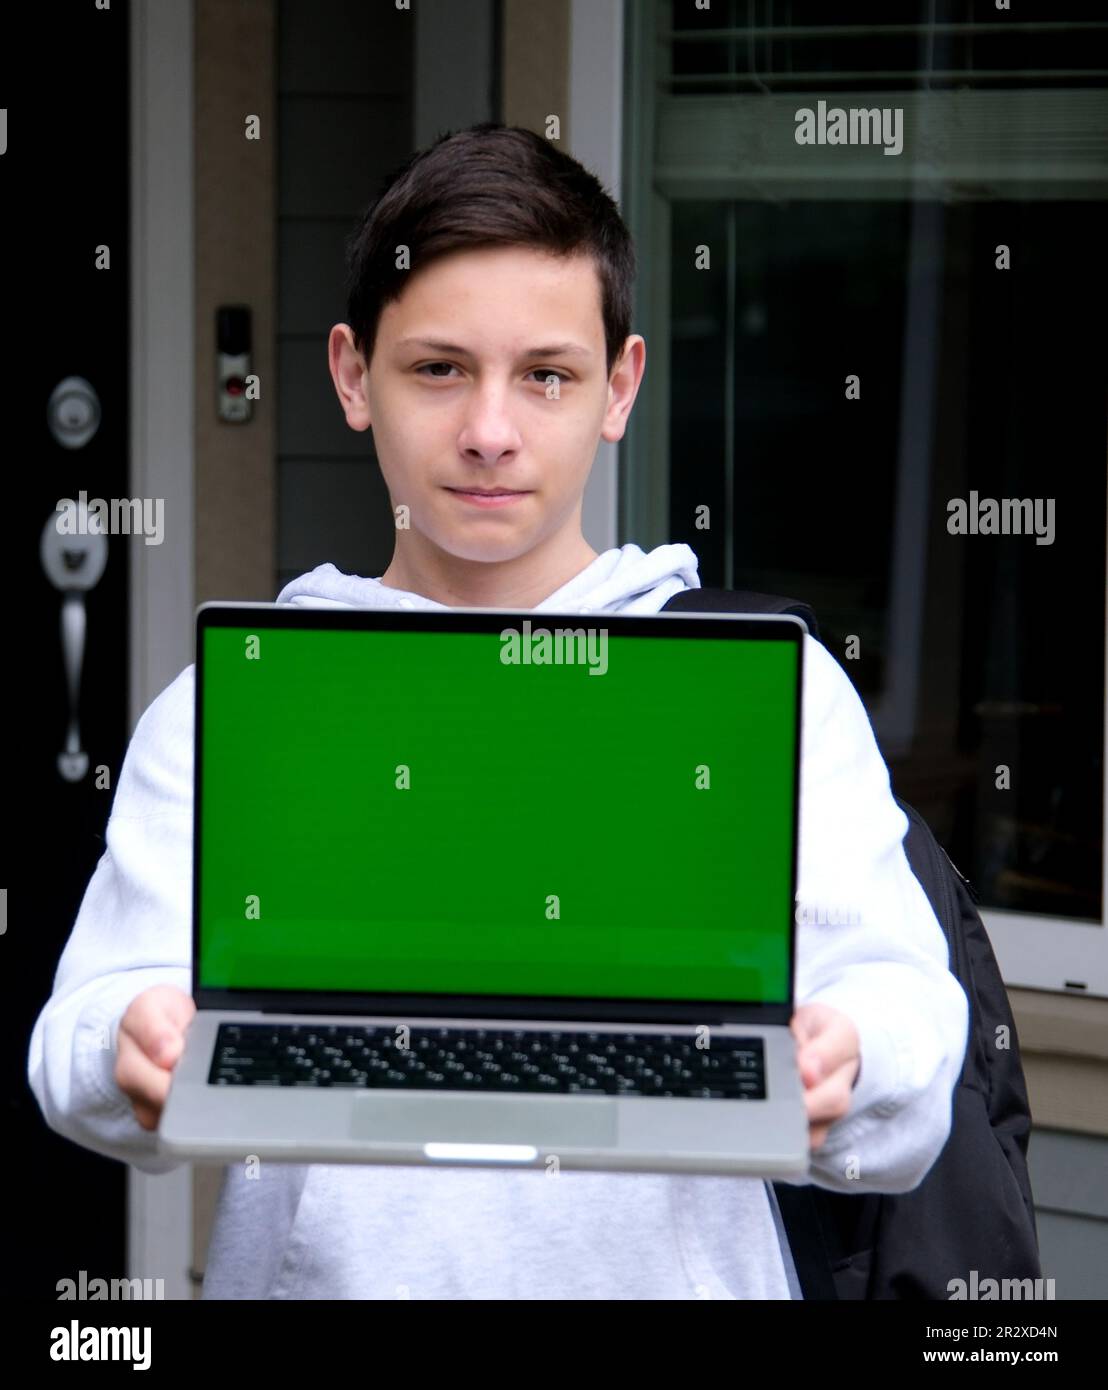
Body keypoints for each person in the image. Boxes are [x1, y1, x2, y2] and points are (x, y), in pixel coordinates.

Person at [28, 123, 968, 1300]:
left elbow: (907, 1035)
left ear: (619, 386)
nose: (489, 429)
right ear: (348, 374)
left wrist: (851, 1053)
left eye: (546, 373)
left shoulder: (756, 691)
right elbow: (80, 1033)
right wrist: (133, 1040)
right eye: (437, 368)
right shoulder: (240, 697)